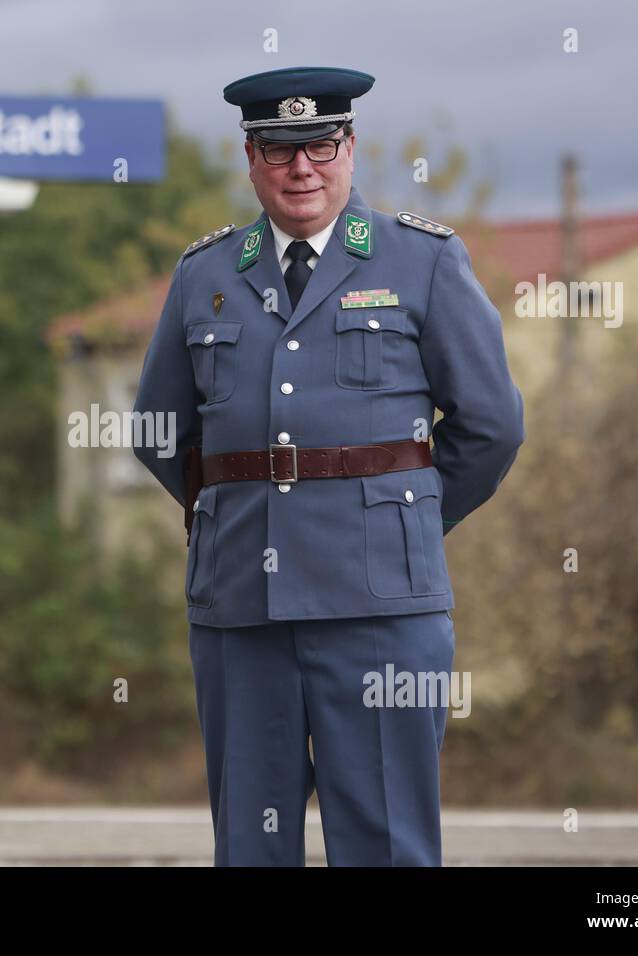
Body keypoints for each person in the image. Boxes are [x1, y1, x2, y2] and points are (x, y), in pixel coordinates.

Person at [131, 66, 525, 866]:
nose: (301, 167)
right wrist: (240, 511)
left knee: (385, 843)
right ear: (251, 159)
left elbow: (491, 426)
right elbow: (159, 428)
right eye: (279, 150)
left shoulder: (422, 262)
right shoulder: (204, 274)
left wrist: (401, 519)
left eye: (319, 145)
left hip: (380, 612)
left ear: (350, 148)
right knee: (250, 846)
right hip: (243, 609)